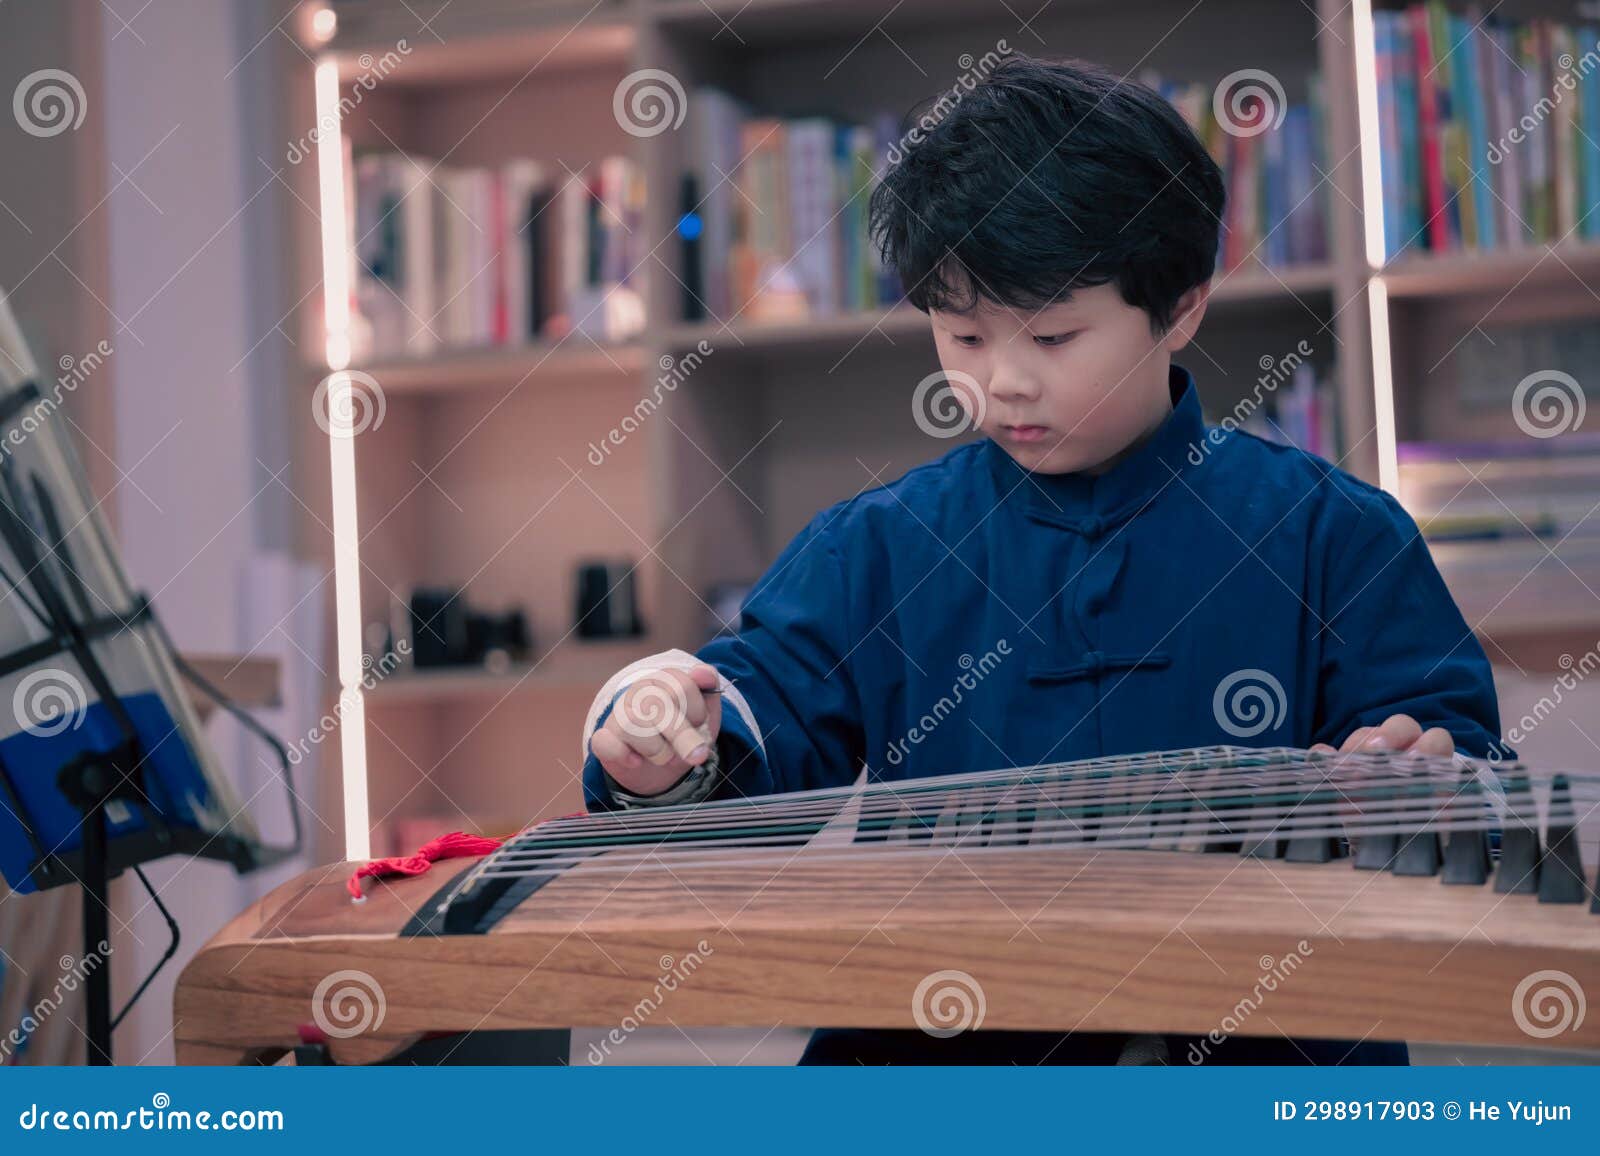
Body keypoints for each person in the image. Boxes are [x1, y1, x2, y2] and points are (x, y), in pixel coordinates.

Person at [578, 54, 1503, 1065]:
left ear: (1182, 306)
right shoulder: (882, 548)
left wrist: (1418, 775)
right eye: (964, 335)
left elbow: (1456, 768)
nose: (1003, 382)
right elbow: (748, 722)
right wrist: (663, 741)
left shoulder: (1333, 535)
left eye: (1055, 336)